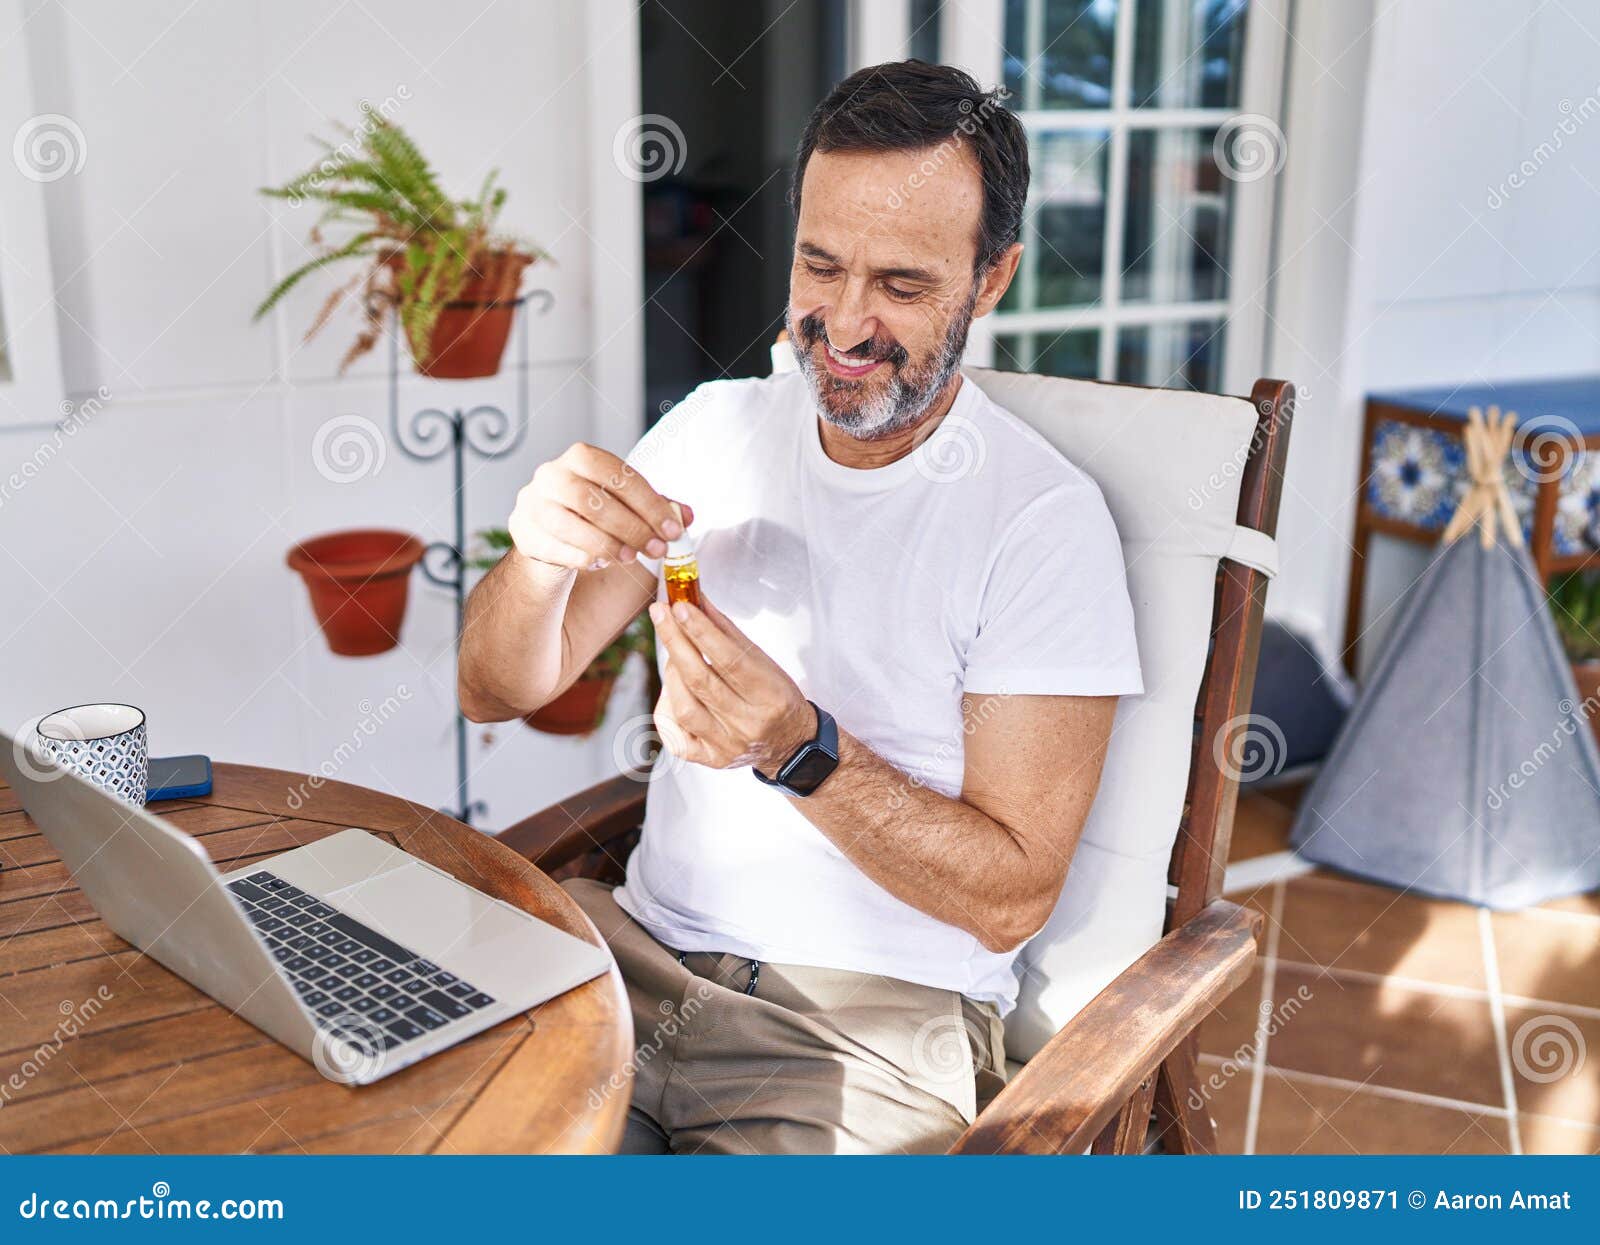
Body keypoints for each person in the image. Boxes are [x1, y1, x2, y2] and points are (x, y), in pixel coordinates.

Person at [458, 60, 1141, 1154]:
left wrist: (795, 748)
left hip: (859, 1036)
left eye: (905, 286)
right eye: (821, 266)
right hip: (627, 962)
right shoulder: (714, 429)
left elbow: (1012, 896)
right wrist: (536, 560)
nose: (846, 324)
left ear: (993, 278)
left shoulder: (1039, 524)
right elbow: (496, 687)